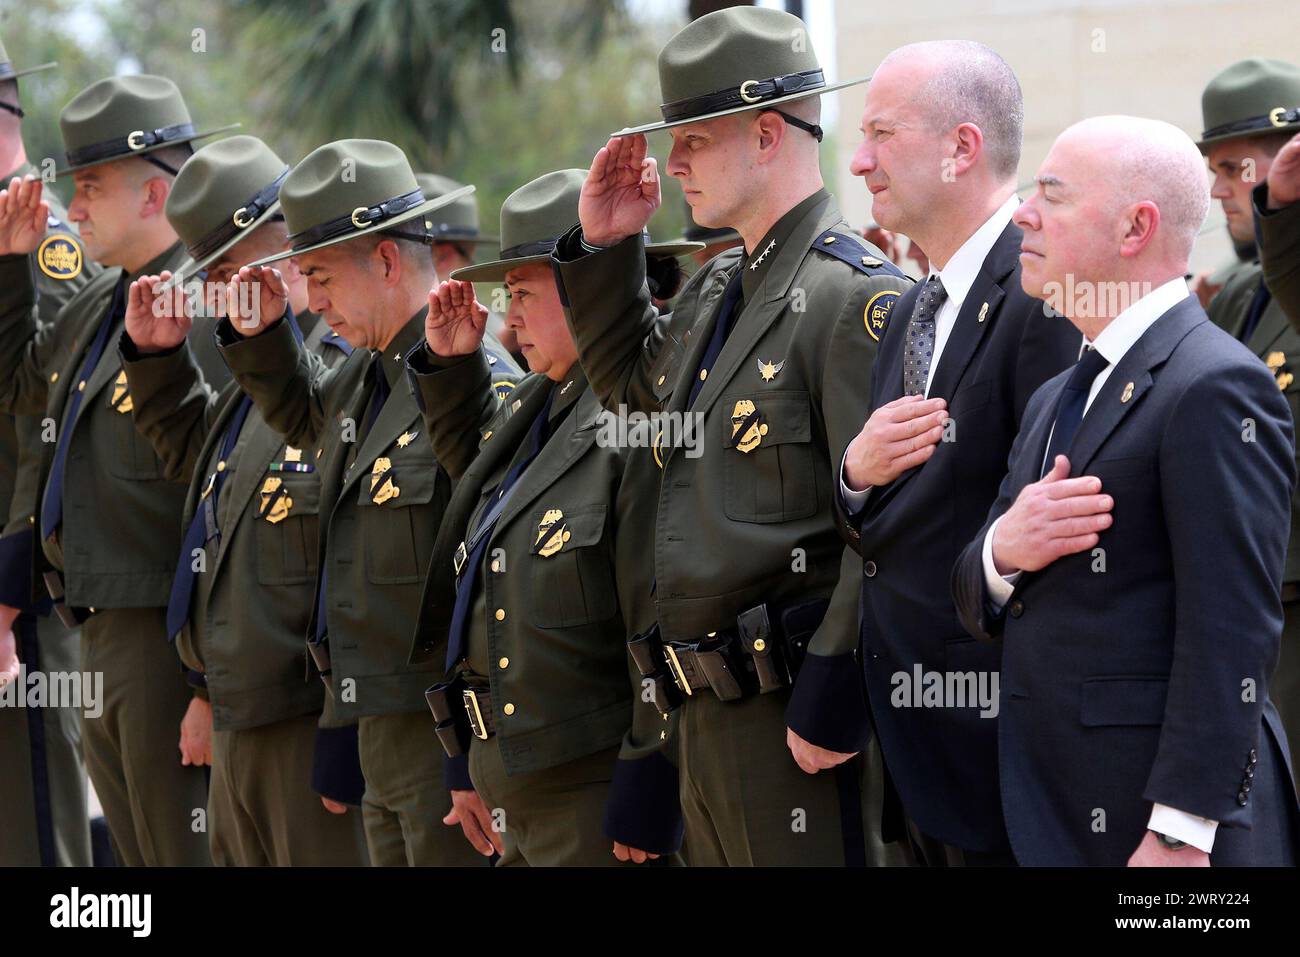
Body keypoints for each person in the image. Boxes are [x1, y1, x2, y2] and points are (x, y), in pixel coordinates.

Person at [551, 5, 910, 866]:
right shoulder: (717, 289)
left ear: (763, 133)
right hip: (702, 715)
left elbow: (892, 517)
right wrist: (607, 251)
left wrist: (840, 681)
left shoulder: (852, 297)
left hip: (794, 713)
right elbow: (639, 410)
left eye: (694, 137)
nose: (672, 161)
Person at [951, 115, 1299, 866]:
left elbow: (1232, 630)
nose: (1023, 214)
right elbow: (975, 594)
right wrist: (1001, 552)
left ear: (1136, 226)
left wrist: (1182, 828)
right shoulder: (1054, 399)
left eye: (1054, 195)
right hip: (1056, 813)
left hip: (1165, 835)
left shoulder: (1215, 384)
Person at [217, 138, 520, 865]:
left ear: (385, 260)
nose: (313, 301)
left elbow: (495, 578)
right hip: (380, 722)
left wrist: (464, 748)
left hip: (441, 734)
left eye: (320, 276)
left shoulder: (475, 379)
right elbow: (305, 419)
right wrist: (261, 335)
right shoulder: (363, 378)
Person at [834, 40, 1081, 866]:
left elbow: (1057, 525)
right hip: (917, 752)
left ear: (962, 147)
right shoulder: (913, 308)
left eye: (882, 133)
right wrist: (854, 477)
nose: (861, 160)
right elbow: (894, 525)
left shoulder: (1044, 291)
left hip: (1005, 756)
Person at [407, 168, 697, 865]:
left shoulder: (632, 413)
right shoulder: (542, 401)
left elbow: (657, 610)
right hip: (523, 776)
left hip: (590, 782)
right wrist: (451, 373)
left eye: (526, 298)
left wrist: (648, 769)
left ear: (585, 291)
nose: (509, 323)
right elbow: (484, 499)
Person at [0, 74, 237, 866]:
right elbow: (18, 390)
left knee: (182, 850)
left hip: (164, 634)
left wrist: (206, 683)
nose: (74, 208)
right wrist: (7, 267)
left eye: (93, 187)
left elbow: (228, 500)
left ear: (154, 195)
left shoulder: (209, 308)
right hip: (96, 624)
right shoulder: (102, 303)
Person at [118, 134, 369, 866]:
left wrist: (345, 722)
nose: (219, 291)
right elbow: (203, 492)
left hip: (307, 723)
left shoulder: (341, 364)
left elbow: (365, 568)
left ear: (285, 243)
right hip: (241, 717)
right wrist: (159, 361)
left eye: (227, 268)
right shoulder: (254, 378)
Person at [0, 33, 95, 869]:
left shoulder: (45, 239)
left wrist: (9, 586)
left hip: (24, 596)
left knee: (39, 828)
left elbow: (49, 421)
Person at [1195, 59, 1300, 783]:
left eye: (1235, 167)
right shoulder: (1236, 292)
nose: (1219, 190)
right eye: (1213, 168)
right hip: (1248, 603)